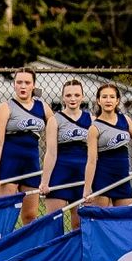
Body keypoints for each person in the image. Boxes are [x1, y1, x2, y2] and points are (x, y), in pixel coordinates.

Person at [0, 68, 47, 223]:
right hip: (9, 164)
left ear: (33, 86)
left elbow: (56, 129)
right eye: (19, 82)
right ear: (14, 85)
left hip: (31, 165)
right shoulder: (6, 107)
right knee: (4, 215)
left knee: (30, 215)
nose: (23, 86)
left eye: (27, 82)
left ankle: (28, 246)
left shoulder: (43, 107)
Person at [39, 79, 95, 219]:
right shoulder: (54, 120)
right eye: (68, 95)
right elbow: (51, 153)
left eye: (76, 95)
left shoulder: (92, 120)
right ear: (63, 97)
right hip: (60, 174)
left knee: (80, 225)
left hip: (82, 175)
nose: (73, 99)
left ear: (82, 96)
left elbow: (95, 155)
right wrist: (45, 182)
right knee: (53, 222)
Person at [84, 82, 132, 208]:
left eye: (112, 97)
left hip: (122, 177)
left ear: (118, 100)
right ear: (98, 100)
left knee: (124, 220)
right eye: (104, 97)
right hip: (103, 178)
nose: (108, 100)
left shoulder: (125, 120)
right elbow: (92, 160)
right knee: (102, 220)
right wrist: (87, 189)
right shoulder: (94, 127)